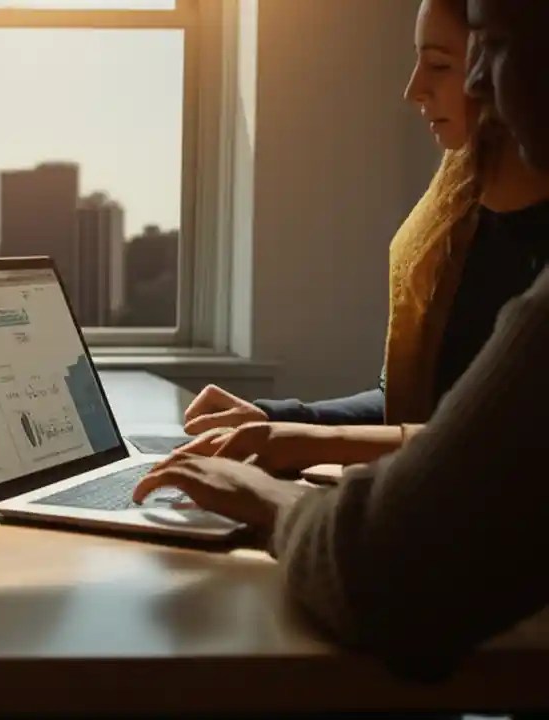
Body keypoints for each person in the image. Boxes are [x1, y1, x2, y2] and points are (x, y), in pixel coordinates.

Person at [134, 0, 549, 680]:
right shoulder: (462, 218)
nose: (424, 89)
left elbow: (385, 568)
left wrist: (272, 498)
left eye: (488, 49)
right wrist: (281, 424)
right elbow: (434, 408)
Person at [175, 0, 549, 477]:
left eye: (439, 65)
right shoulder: (459, 220)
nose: (413, 89)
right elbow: (406, 404)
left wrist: (302, 443)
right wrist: (276, 420)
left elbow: (494, 445)